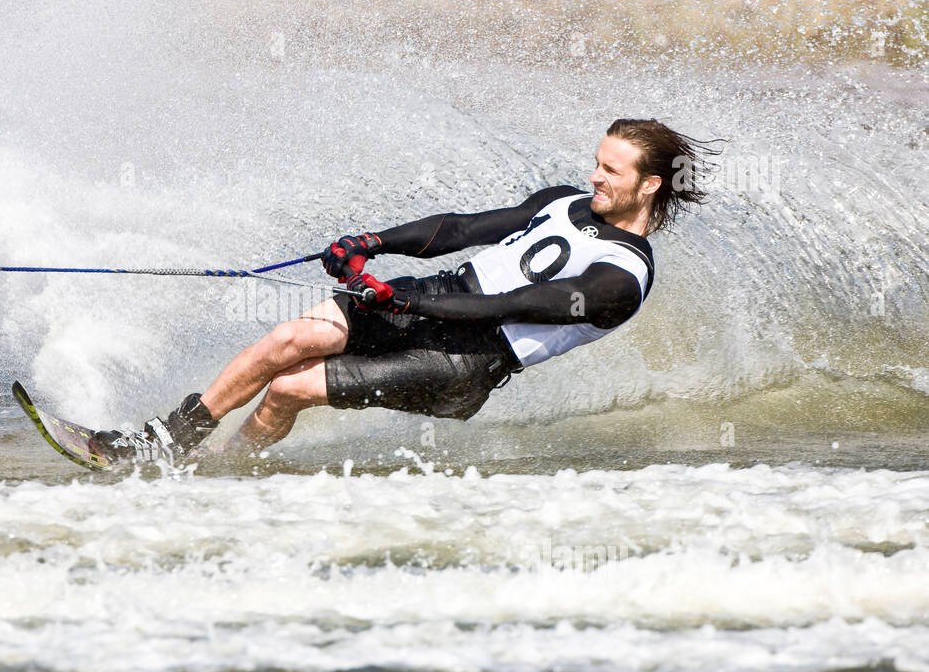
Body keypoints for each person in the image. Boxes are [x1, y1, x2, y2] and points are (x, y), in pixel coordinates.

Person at [94, 118, 719, 464]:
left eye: (611, 171)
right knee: (291, 337)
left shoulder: (622, 279)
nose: (594, 177)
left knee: (289, 389)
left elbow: (508, 306)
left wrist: (401, 301)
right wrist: (373, 242)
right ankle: (163, 444)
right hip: (440, 294)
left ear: (651, 186)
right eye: (597, 162)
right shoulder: (564, 202)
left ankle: (226, 475)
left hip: (464, 360)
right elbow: (467, 229)